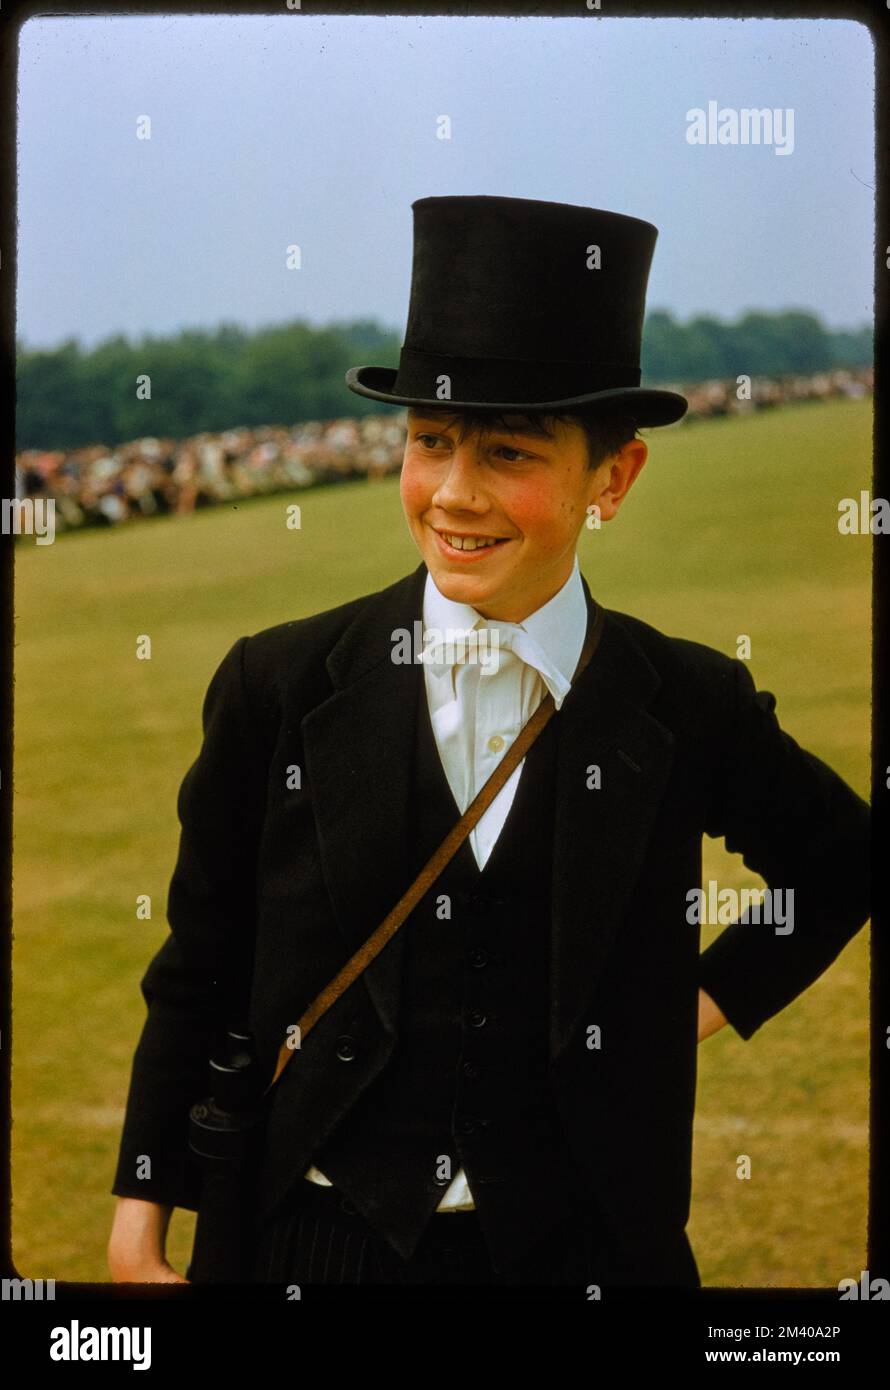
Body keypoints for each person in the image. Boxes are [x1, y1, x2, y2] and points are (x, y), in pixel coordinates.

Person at [107, 195, 870, 1291]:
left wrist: (679, 1016)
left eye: (507, 451)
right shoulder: (274, 683)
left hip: (585, 1255)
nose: (453, 495)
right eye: (429, 443)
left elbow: (841, 858)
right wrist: (140, 1222)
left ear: (612, 477)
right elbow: (197, 969)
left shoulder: (685, 699)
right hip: (309, 1247)